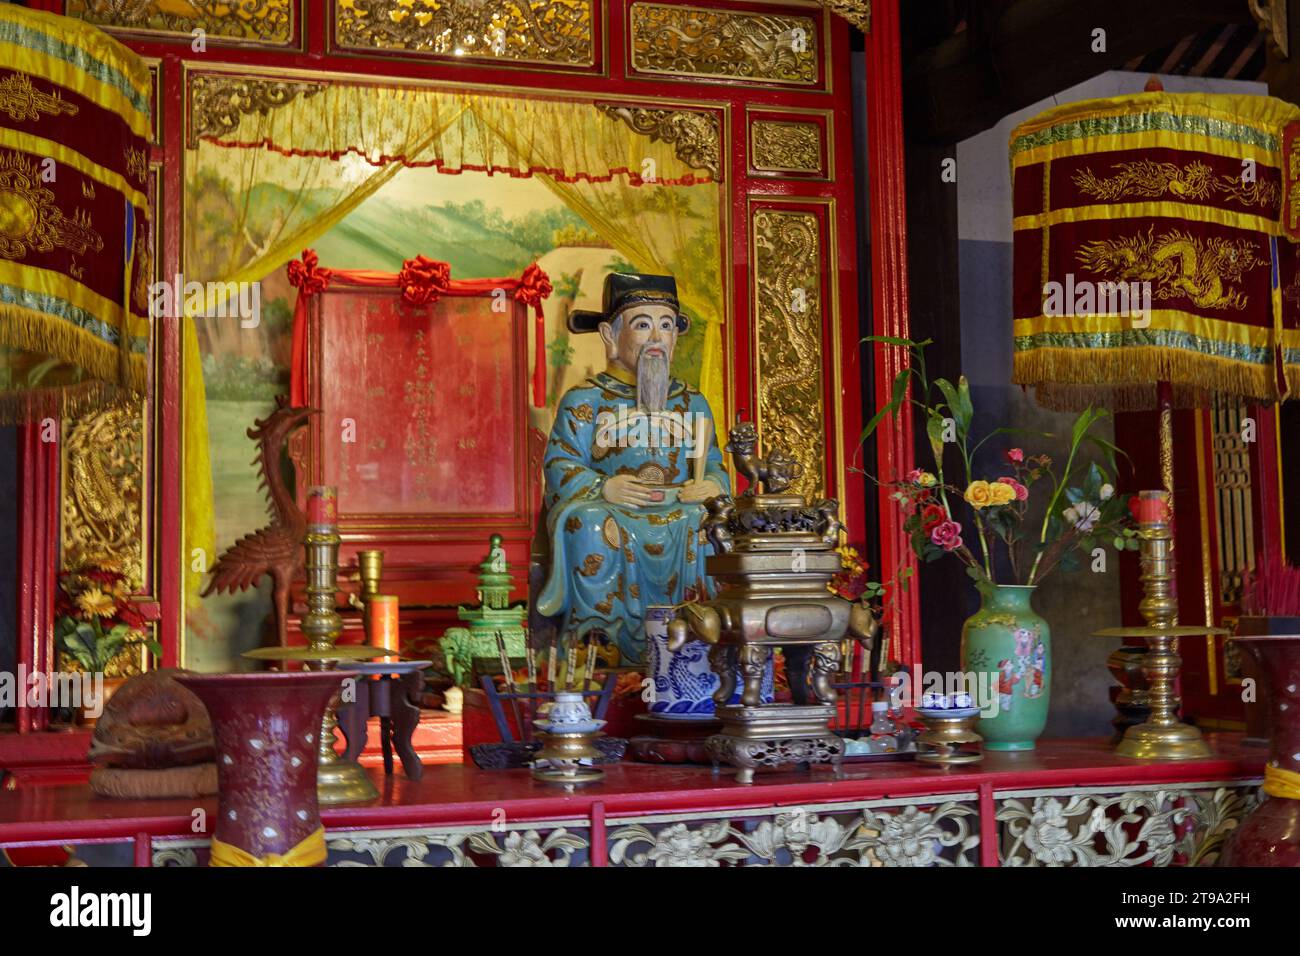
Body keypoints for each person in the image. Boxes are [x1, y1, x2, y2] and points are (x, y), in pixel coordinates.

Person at [535, 273, 729, 664]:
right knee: (587, 524)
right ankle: (600, 638)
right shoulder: (585, 400)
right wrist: (603, 488)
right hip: (613, 512)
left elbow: (713, 464)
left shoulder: (691, 402)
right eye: (642, 324)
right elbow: (560, 464)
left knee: (705, 524)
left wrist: (710, 484)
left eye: (666, 325)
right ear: (610, 334)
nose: (657, 338)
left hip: (680, 510)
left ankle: (697, 640)